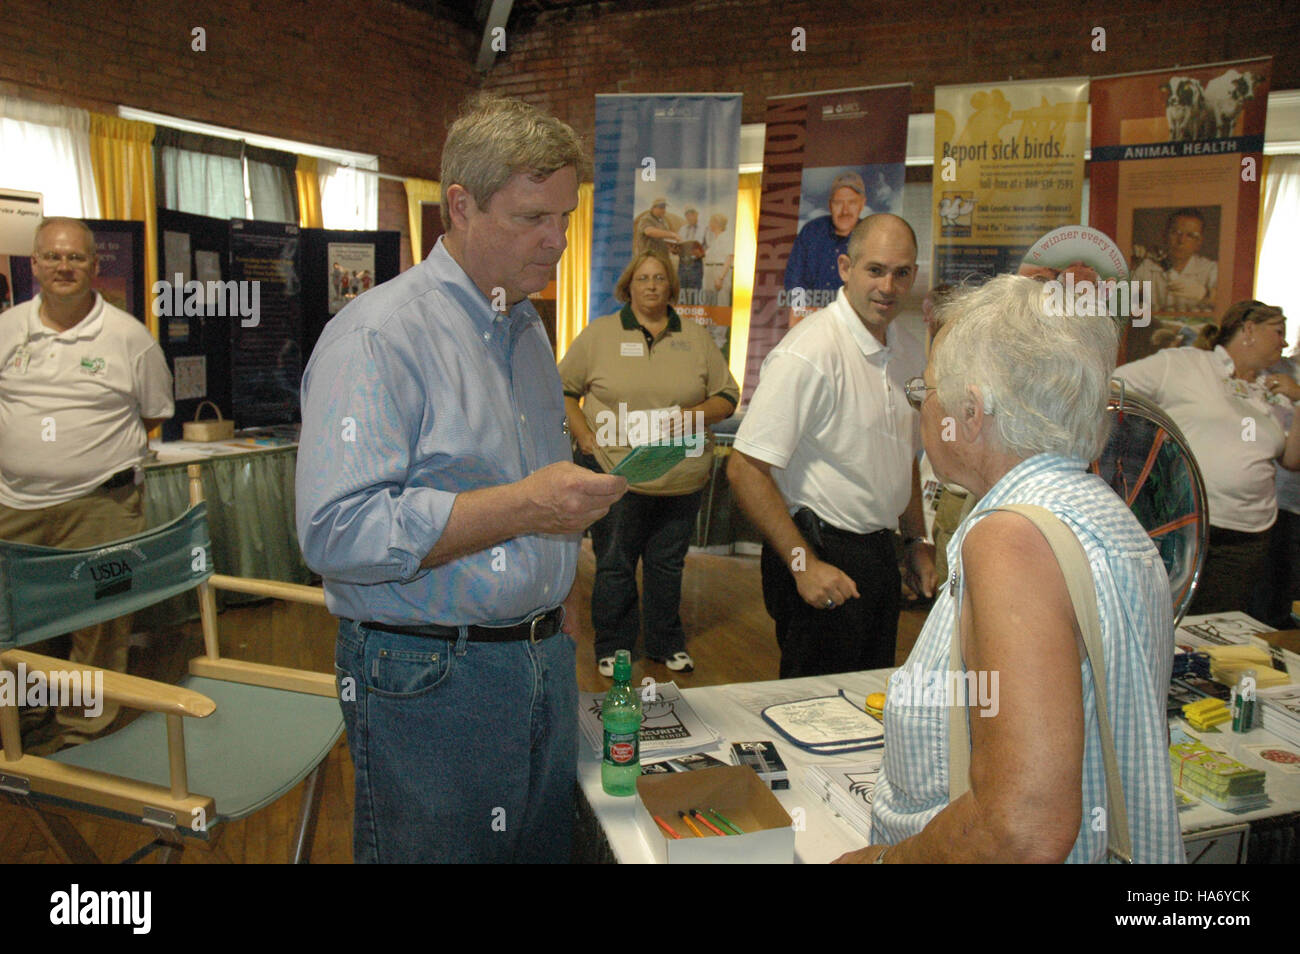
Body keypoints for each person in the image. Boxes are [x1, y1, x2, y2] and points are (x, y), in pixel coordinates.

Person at [296, 95, 627, 864]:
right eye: (531, 218)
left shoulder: (526, 327)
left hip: (536, 656)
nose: (558, 241)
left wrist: (562, 600)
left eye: (566, 218)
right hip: (429, 675)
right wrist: (523, 509)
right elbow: (337, 533)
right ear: (460, 205)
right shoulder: (379, 337)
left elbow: (536, 482)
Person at [837, 274, 1184, 863]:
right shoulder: (1102, 512)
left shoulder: (1011, 542)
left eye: (927, 392)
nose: (922, 409)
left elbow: (1020, 831)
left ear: (970, 413)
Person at [728, 213, 935, 678]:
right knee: (814, 716)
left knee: (867, 704)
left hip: (879, 557)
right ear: (845, 268)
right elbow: (743, 470)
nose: (888, 285)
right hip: (817, 552)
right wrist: (804, 565)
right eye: (875, 270)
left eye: (901, 273)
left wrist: (915, 541)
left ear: (913, 276)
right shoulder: (808, 352)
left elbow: (905, 460)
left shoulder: (908, 352)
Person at [0, 216, 174, 750]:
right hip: (12, 506)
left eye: (76, 258)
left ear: (95, 266)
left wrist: (82, 458)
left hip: (103, 505)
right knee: (15, 623)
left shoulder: (130, 338)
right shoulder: (6, 330)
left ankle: (82, 732)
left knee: (98, 623)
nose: (64, 267)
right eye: (52, 257)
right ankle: (22, 725)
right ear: (34, 264)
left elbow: (152, 413)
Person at [560, 250, 739, 677]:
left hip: (682, 477)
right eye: (643, 278)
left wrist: (695, 416)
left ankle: (665, 642)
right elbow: (563, 389)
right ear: (629, 286)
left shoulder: (695, 338)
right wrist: (583, 436)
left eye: (660, 278)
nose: (653, 286)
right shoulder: (600, 334)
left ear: (671, 287)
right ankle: (614, 646)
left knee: (667, 565)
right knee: (616, 563)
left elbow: (727, 395)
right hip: (617, 472)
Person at [1115, 300, 1300, 615]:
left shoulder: (1270, 391)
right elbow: (1115, 387)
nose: (1284, 342)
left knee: (1221, 626)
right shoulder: (1185, 364)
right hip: (1184, 525)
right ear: (1249, 329)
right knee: (1164, 616)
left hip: (1248, 535)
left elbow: (1288, 459)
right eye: (1278, 331)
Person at [782, 171, 866, 315]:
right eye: (838, 203)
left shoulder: (871, 235)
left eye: (852, 202)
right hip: (811, 319)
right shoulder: (811, 232)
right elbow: (794, 280)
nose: (845, 211)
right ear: (830, 205)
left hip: (853, 321)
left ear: (862, 204)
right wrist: (800, 312)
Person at [1132, 208, 1217, 314]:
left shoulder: (1210, 268)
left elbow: (1227, 302)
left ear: (1199, 242)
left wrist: (1204, 294)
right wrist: (1132, 265)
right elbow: (1120, 301)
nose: (1181, 241)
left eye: (1190, 235)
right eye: (1175, 233)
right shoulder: (1146, 266)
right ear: (1165, 236)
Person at [675, 208, 706, 305]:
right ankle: (682, 316)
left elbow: (709, 247)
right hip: (683, 263)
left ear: (697, 214)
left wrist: (702, 253)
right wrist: (675, 249)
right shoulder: (682, 229)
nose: (689, 217)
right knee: (682, 290)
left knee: (695, 291)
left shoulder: (704, 229)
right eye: (687, 215)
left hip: (696, 263)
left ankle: (695, 316)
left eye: (692, 214)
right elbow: (678, 244)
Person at [701, 213, 733, 307]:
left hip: (720, 270)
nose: (709, 224)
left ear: (716, 223)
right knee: (709, 303)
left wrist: (721, 277)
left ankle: (721, 322)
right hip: (709, 271)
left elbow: (729, 257)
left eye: (710, 222)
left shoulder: (726, 237)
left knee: (721, 302)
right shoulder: (713, 239)